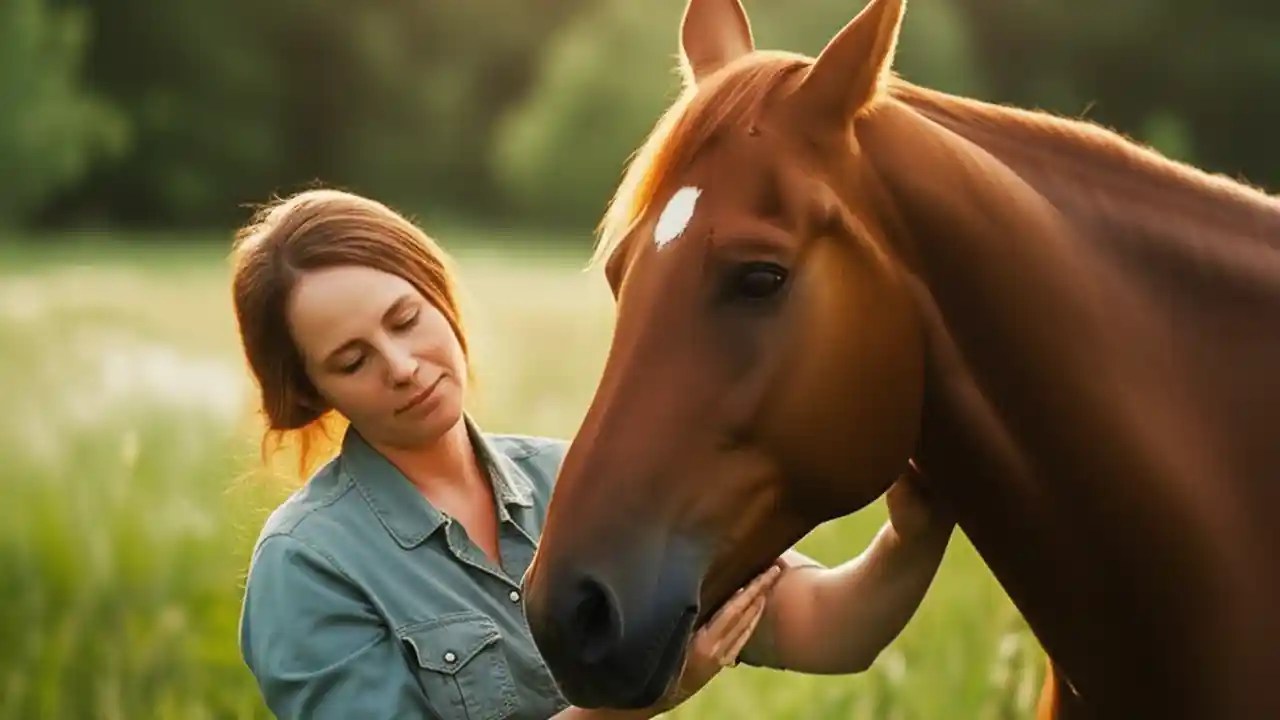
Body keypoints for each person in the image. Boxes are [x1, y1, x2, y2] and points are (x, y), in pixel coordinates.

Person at [231, 188, 952, 720]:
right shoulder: (307, 566)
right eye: (353, 360)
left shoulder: (576, 483)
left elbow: (831, 632)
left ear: (436, 294)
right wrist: (639, 703)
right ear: (314, 391)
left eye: (405, 319)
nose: (402, 365)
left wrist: (913, 537)